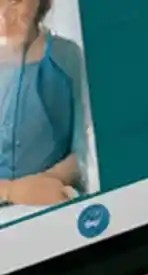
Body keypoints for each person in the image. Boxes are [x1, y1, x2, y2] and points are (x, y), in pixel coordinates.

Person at [0, 0, 87, 206]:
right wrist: (11, 190)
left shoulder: (67, 57)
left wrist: (45, 183)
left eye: (17, 1)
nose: (6, 12)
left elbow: (85, 149)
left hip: (48, 200)